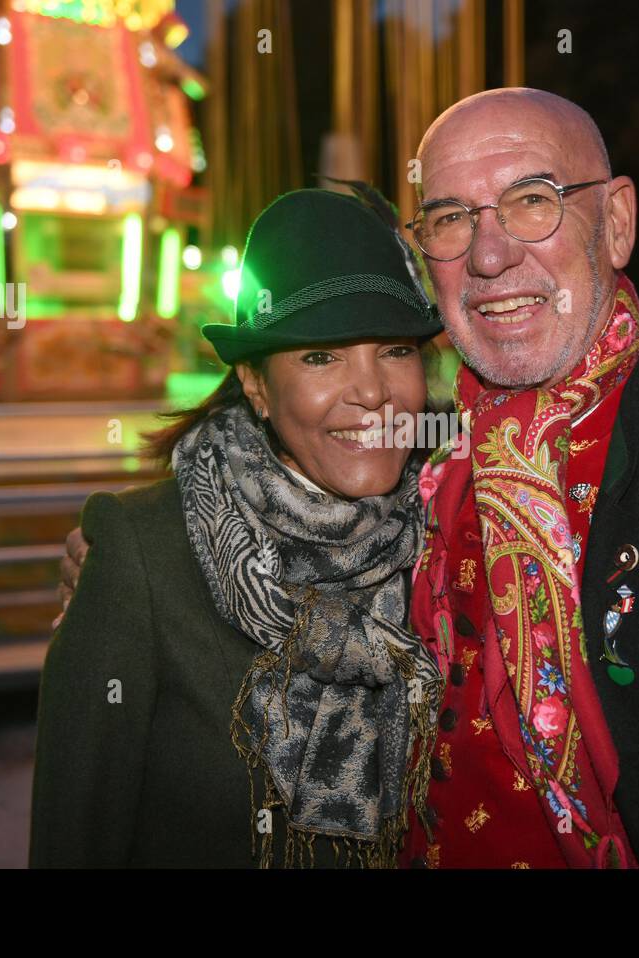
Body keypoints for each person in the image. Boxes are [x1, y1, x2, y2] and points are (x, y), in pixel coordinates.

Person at [62, 89, 639, 868]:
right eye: (454, 217)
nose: (492, 252)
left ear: (616, 221)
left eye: (534, 199)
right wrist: (135, 557)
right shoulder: (411, 473)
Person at [30, 188, 445, 867]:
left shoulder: (455, 536)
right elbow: (73, 839)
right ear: (254, 383)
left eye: (395, 350)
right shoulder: (145, 555)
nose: (372, 392)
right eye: (322, 357)